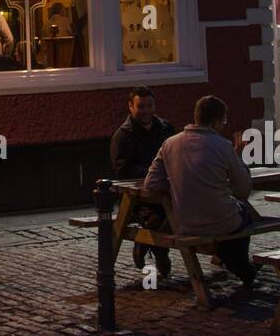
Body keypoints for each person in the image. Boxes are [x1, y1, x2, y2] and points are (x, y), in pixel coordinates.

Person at [141, 95, 258, 291]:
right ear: (214, 122)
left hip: (185, 221)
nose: (223, 125)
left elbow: (151, 183)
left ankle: (233, 261)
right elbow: (244, 190)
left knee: (233, 216)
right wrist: (238, 159)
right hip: (221, 221)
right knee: (245, 214)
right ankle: (239, 265)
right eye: (223, 121)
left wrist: (179, 181)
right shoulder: (223, 146)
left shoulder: (170, 144)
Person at [110, 86, 175, 275]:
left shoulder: (165, 129)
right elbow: (123, 172)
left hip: (166, 191)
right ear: (131, 107)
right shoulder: (123, 136)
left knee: (183, 213)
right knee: (157, 219)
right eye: (141, 106)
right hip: (138, 198)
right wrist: (153, 173)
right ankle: (158, 252)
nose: (147, 111)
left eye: (150, 106)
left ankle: (145, 243)